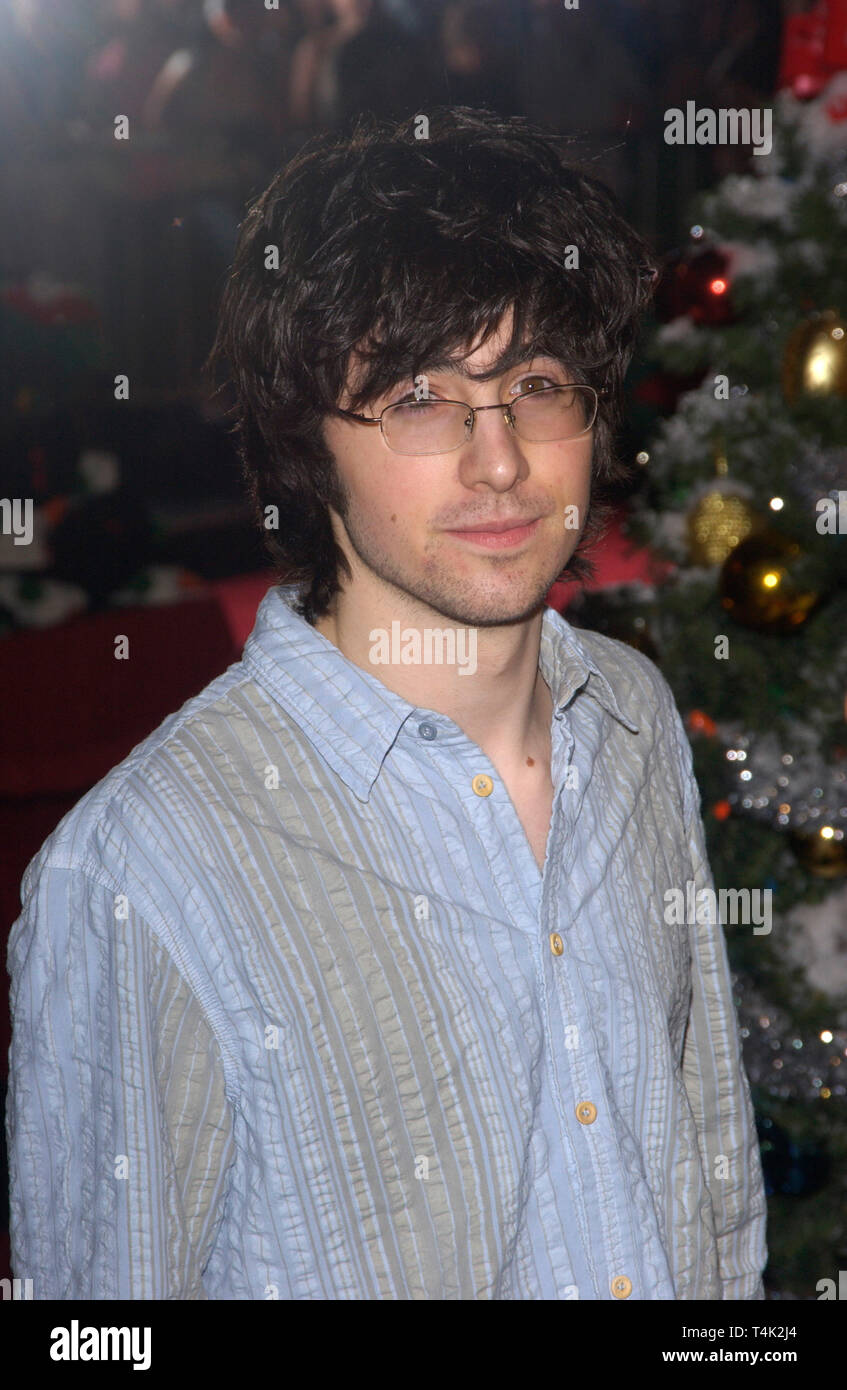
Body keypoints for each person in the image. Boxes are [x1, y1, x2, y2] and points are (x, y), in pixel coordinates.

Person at [6, 106, 767, 1300]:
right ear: (309, 443)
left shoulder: (630, 712)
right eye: (421, 396)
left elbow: (712, 1183)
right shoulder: (141, 872)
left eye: (539, 385)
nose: (500, 458)